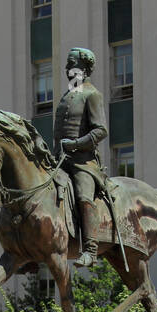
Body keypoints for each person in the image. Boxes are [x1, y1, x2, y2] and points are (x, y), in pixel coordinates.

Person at [53, 46, 113, 267]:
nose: (67, 68)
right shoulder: (67, 96)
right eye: (67, 64)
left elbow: (101, 130)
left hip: (83, 162)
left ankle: (90, 249)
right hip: (59, 159)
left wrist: (76, 144)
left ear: (85, 69)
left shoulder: (92, 94)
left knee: (83, 196)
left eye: (72, 64)